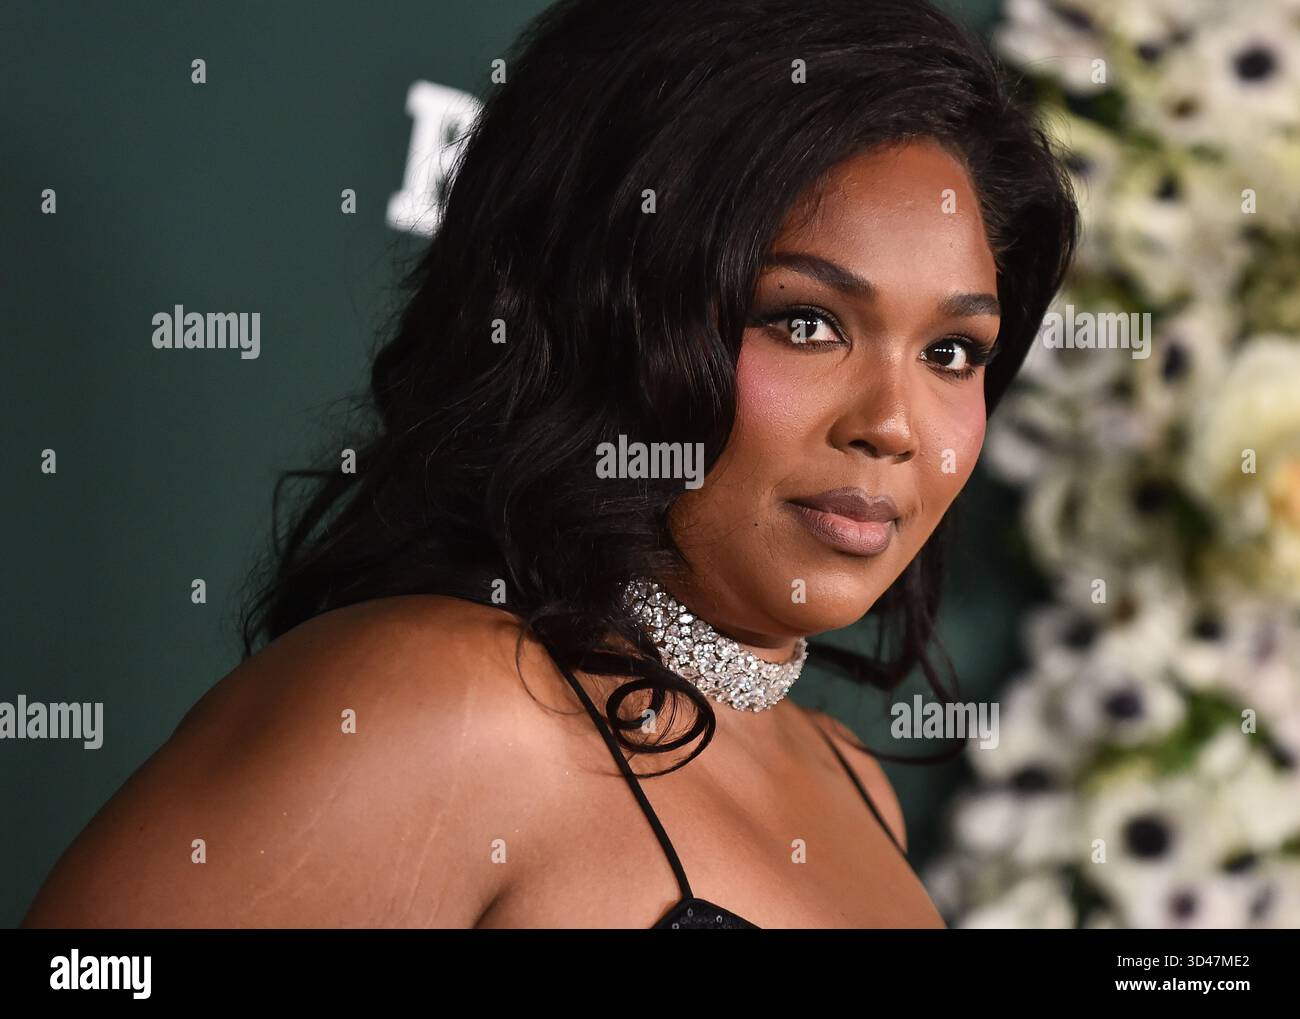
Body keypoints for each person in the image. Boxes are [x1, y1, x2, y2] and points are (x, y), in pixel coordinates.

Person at [22, 0, 1077, 929]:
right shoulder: (448, 707)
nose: (892, 422)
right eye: (804, 322)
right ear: (607, 319)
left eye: (952, 352)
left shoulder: (856, 789)